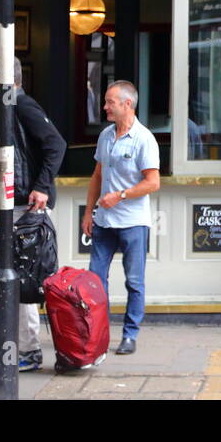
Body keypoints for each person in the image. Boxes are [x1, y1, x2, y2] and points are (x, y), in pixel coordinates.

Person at [0, 56, 66, 374]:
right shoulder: (10, 108)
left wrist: (42, 187)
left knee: (23, 280)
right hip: (15, 205)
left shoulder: (22, 104)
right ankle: (21, 351)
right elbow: (5, 160)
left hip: (27, 207)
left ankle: (27, 352)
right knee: (17, 279)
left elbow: (56, 144)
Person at [83, 80, 160, 355]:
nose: (105, 107)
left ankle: (130, 334)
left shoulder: (144, 139)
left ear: (127, 104)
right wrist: (88, 211)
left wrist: (121, 195)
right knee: (95, 279)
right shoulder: (105, 136)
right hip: (104, 222)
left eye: (110, 102)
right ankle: (97, 332)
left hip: (132, 223)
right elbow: (97, 175)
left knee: (134, 281)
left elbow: (153, 183)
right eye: (105, 102)